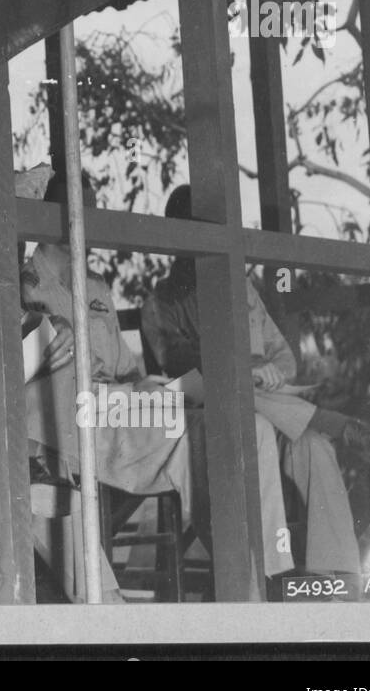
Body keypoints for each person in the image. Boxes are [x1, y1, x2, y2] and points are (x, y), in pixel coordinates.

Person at [22, 172, 294, 601]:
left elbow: (128, 373)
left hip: (126, 408)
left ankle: (266, 575)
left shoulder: (95, 288)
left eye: (95, 208)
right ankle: (245, 580)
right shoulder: (26, 286)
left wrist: (158, 389)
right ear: (52, 215)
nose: (93, 219)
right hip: (81, 420)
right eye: (83, 208)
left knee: (246, 425)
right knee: (212, 438)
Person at [141, 185, 370, 579]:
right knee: (259, 419)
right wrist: (248, 370)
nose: (204, 242)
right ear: (174, 237)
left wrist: (272, 372)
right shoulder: (160, 303)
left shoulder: (243, 291)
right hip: (206, 416)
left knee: (315, 445)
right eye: (192, 231)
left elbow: (284, 355)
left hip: (271, 405)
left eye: (210, 230)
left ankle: (338, 572)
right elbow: (187, 368)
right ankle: (272, 573)